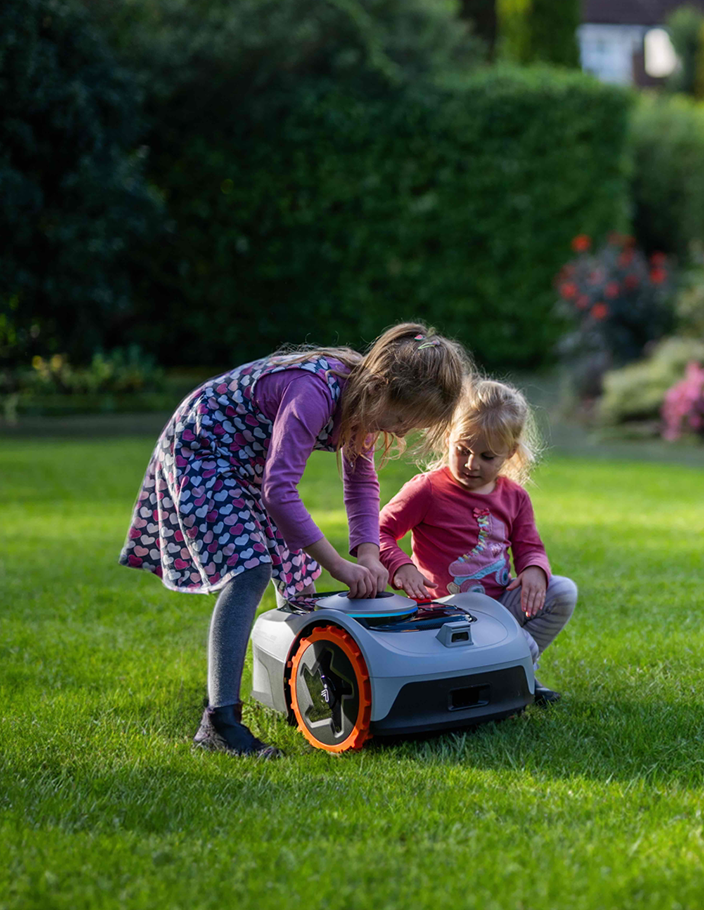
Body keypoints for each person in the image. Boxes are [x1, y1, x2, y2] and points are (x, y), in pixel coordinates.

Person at [119, 322, 471, 757]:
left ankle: (304, 694)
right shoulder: (314, 391)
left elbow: (360, 480)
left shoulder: (364, 395)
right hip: (202, 450)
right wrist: (339, 566)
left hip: (246, 463)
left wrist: (368, 552)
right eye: (400, 420)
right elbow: (279, 493)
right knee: (250, 570)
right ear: (382, 386)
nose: (398, 433)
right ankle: (219, 724)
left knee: (298, 576)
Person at [379, 379, 575, 707]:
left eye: (486, 456)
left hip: (499, 605)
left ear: (509, 454)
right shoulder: (427, 490)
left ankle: (514, 671)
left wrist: (534, 571)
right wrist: (401, 566)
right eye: (463, 451)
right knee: (521, 644)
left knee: (564, 591)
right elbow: (379, 531)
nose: (471, 464)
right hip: (447, 613)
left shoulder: (514, 497)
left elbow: (529, 545)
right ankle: (517, 675)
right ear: (447, 438)